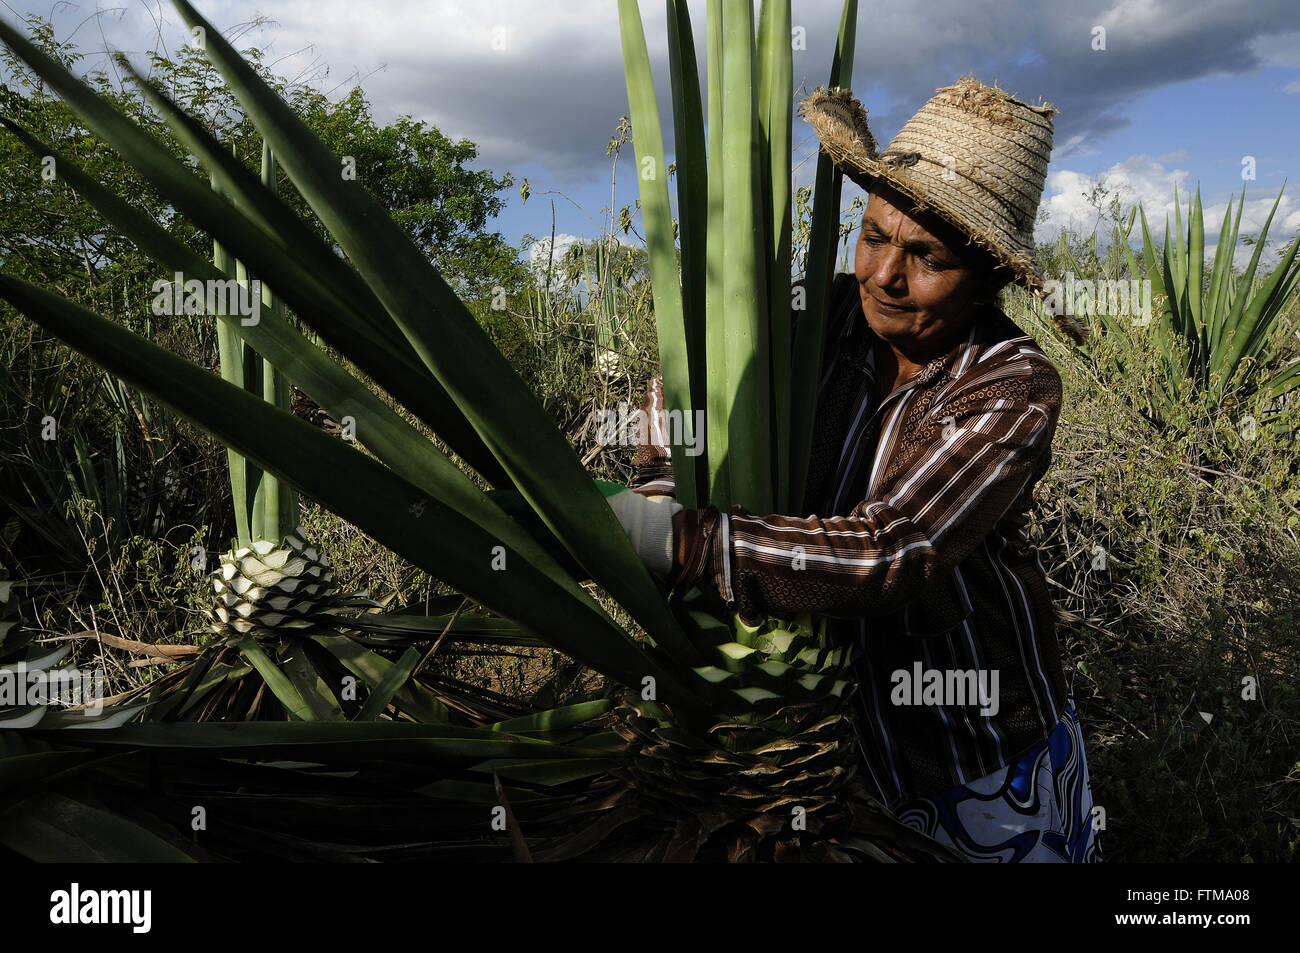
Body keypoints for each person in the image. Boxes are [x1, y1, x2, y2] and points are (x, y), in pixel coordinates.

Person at [607, 75, 1101, 863]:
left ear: (991, 278)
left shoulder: (1011, 383)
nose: (883, 275)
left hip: (971, 753)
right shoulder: (810, 315)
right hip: (808, 745)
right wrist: (666, 484)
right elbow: (689, 371)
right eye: (873, 236)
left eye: (926, 256)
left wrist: (686, 541)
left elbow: (892, 551)